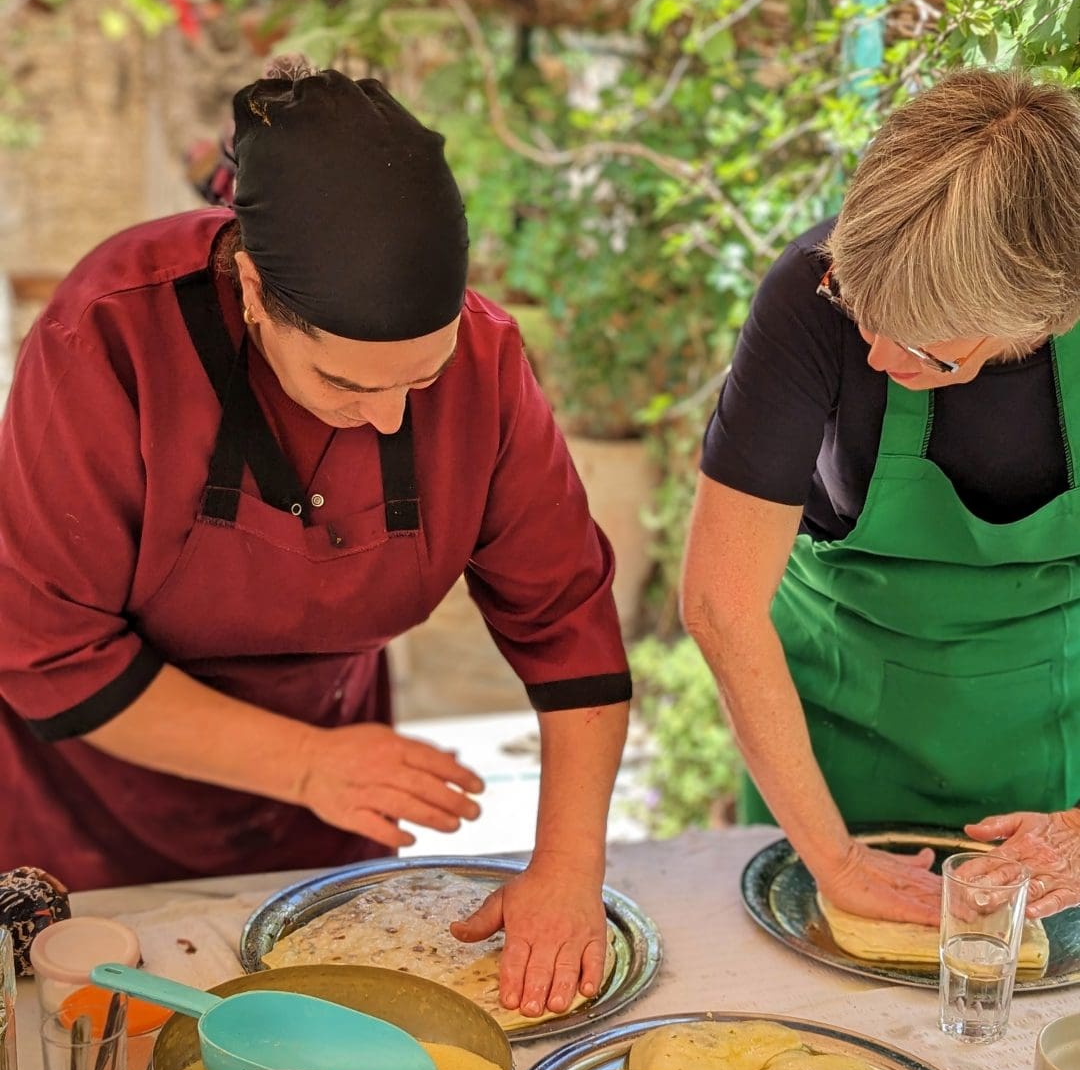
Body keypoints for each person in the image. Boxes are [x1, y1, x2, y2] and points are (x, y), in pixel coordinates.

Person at [0, 60, 632, 1017]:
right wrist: (303, 762)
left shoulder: (486, 359)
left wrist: (568, 868)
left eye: (421, 380)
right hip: (94, 816)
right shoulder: (109, 338)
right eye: (344, 384)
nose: (389, 419)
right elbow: (47, 652)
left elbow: (569, 626)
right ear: (254, 290)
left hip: (326, 818)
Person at [682, 69, 1080, 925]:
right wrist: (833, 858)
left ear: (1045, 315)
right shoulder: (807, 295)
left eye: (927, 350)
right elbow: (721, 603)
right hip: (831, 752)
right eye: (862, 309)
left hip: (1052, 755)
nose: (876, 358)